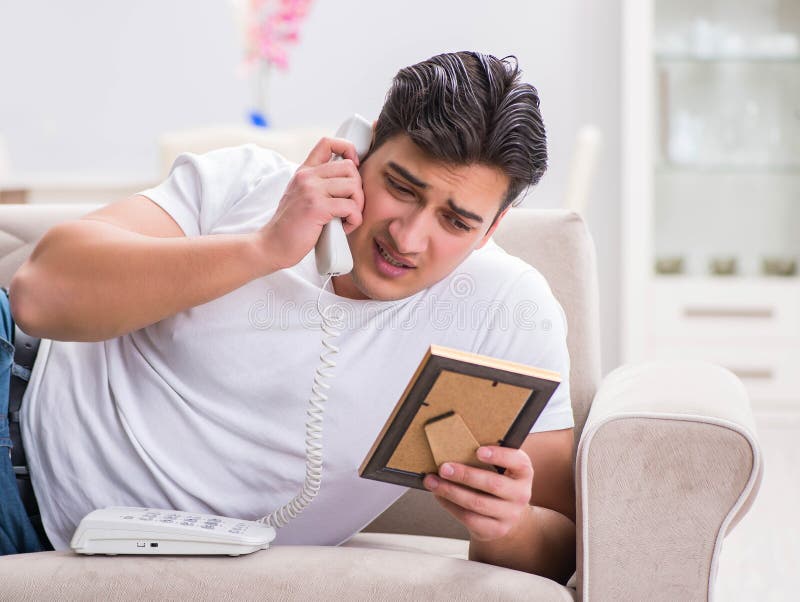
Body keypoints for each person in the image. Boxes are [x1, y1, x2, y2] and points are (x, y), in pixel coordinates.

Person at [3, 51, 575, 582]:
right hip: (17, 411)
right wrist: (265, 248)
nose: (408, 236)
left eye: (456, 222)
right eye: (400, 187)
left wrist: (509, 524)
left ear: (491, 230)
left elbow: (564, 543)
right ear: (361, 151)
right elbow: (37, 294)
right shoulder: (245, 184)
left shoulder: (508, 312)